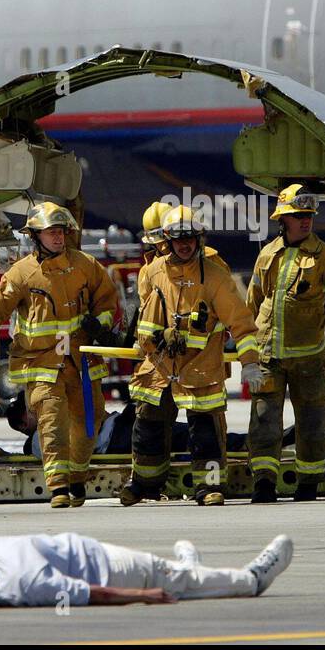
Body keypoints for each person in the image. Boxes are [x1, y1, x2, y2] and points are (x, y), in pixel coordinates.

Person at [0, 202, 125, 509]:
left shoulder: (85, 265)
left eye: (61, 232)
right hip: (41, 363)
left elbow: (108, 303)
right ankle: (58, 488)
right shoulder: (22, 274)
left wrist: (100, 323)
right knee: (52, 423)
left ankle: (77, 481)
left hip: (82, 362)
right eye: (51, 233)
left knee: (88, 424)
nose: (58, 238)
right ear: (36, 236)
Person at [122, 205, 265, 506]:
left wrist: (250, 363)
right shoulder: (154, 273)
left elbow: (241, 322)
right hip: (159, 368)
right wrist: (159, 337)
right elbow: (145, 324)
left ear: (199, 240)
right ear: (168, 241)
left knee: (206, 434)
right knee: (147, 427)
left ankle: (209, 487)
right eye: (178, 238)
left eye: (190, 238)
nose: (184, 243)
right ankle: (144, 486)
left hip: (201, 368)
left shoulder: (214, 276)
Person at [245, 185, 325, 503]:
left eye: (308, 216)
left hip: (309, 358)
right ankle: (264, 483)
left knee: (312, 421)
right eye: (298, 216)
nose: (305, 221)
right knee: (264, 419)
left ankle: (308, 483)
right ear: (284, 220)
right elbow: (252, 301)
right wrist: (240, 340)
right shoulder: (267, 254)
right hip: (269, 354)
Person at [0, 527, 294, 608]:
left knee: (172, 573)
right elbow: (89, 594)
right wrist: (140, 596)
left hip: (90, 549)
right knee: (170, 581)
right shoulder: (23, 585)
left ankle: (188, 569)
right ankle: (250, 581)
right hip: (110, 572)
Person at [0, 392, 275, 457]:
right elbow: (82, 435)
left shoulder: (43, 432)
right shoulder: (37, 441)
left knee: (180, 433)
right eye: (30, 410)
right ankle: (246, 443)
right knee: (183, 437)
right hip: (117, 436)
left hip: (119, 426)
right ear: (25, 422)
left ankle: (243, 441)